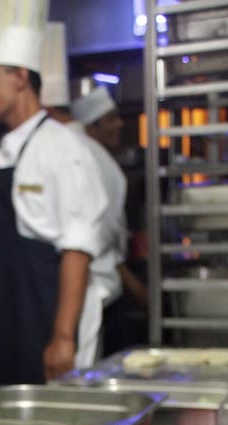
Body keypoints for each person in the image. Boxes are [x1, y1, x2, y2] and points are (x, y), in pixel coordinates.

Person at [0, 0, 108, 386]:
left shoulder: (64, 148)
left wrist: (63, 336)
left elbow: (77, 248)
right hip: (11, 316)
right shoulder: (2, 155)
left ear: (19, 76)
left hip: (47, 318)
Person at [41, 26, 126, 365]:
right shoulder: (84, 154)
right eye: (111, 120)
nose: (119, 126)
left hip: (91, 291)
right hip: (96, 290)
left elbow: (90, 238)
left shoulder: (80, 154)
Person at [72, 85, 148, 356]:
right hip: (100, 286)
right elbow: (101, 238)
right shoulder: (93, 160)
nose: (119, 125)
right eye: (111, 119)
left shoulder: (93, 155)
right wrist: (134, 283)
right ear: (92, 126)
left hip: (104, 283)